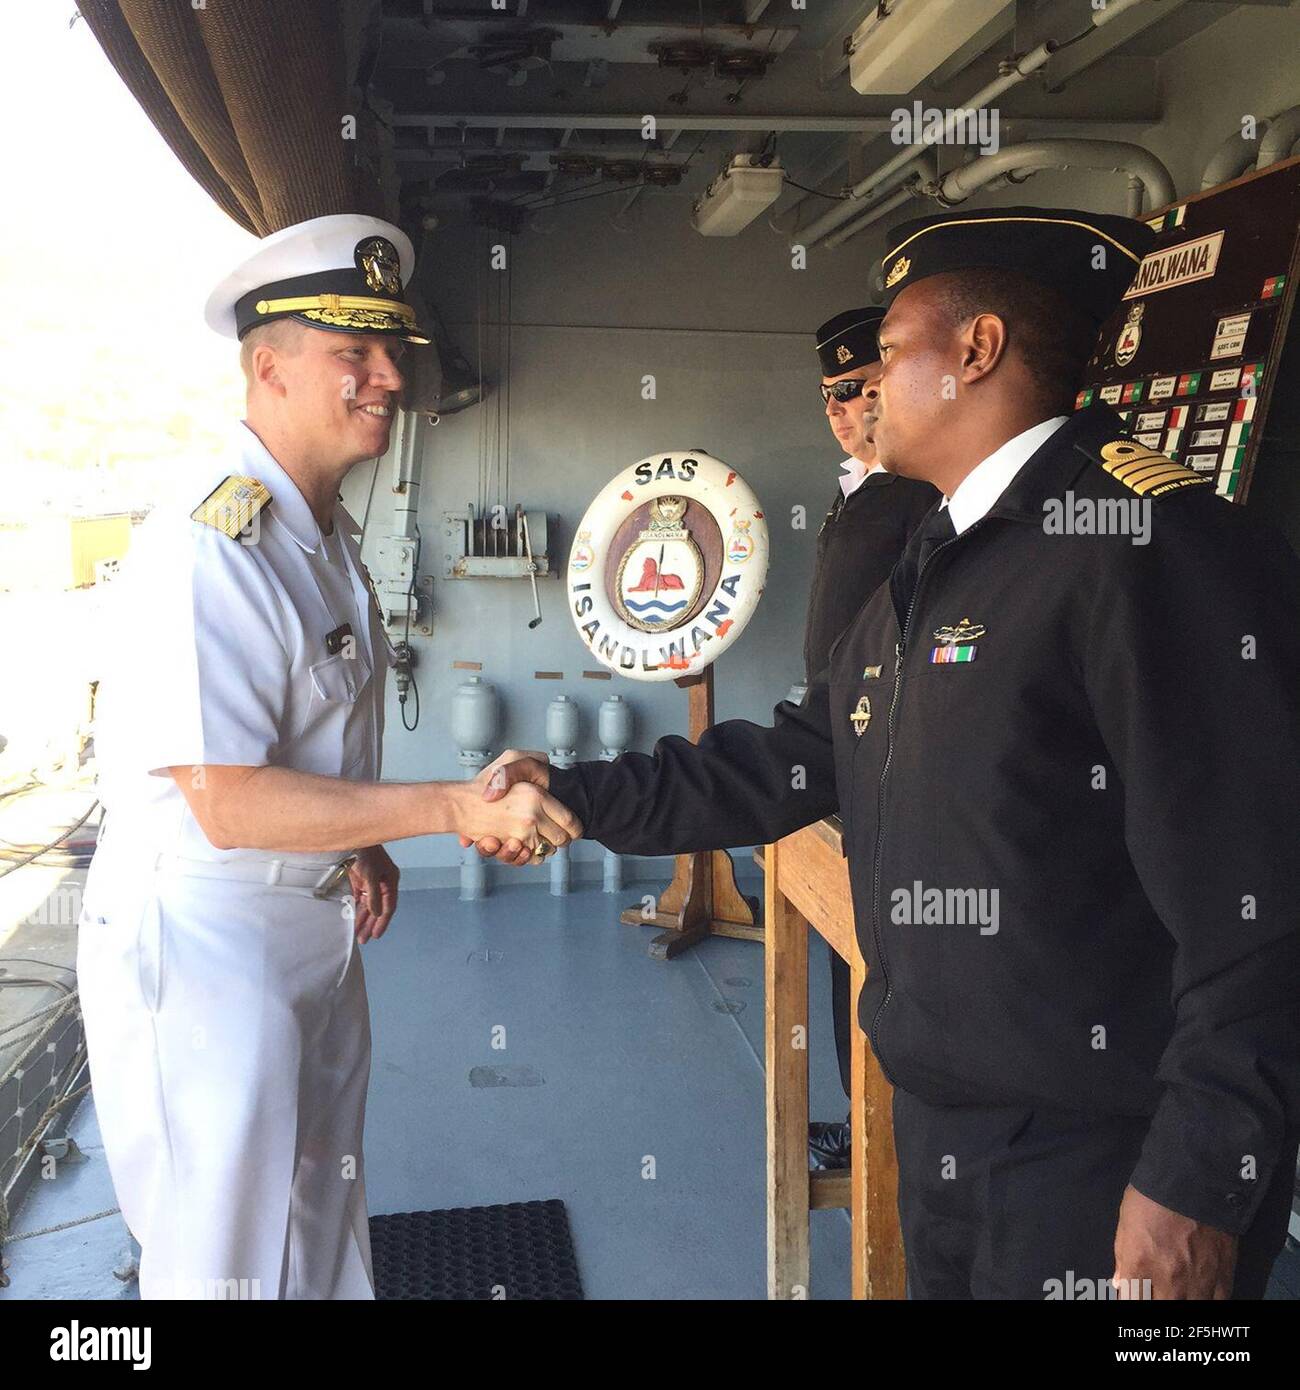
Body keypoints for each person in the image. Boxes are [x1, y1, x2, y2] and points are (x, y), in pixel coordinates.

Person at [469, 207, 1300, 1299]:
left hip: (1099, 1157)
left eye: (892, 351)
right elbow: (796, 755)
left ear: (976, 351)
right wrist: (571, 790)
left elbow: (1257, 894)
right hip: (943, 1124)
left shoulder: (1146, 547)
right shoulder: (940, 544)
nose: (868, 383)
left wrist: (1198, 1180)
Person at [78, 213, 578, 1300]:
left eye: (389, 350)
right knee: (220, 1253)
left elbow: (309, 736)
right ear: (268, 367)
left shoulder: (324, 530)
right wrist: (447, 808)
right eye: (353, 352)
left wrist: (363, 843)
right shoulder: (214, 546)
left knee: (317, 1212)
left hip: (309, 927)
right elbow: (228, 800)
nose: (389, 377)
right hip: (209, 940)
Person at [806, 308, 936, 1169]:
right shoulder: (864, 490)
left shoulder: (911, 496)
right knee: (843, 955)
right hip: (841, 755)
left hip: (884, 767)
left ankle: (880, 1143)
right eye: (830, 395)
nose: (842, 410)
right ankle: (863, 1126)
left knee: (877, 970)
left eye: (857, 391)